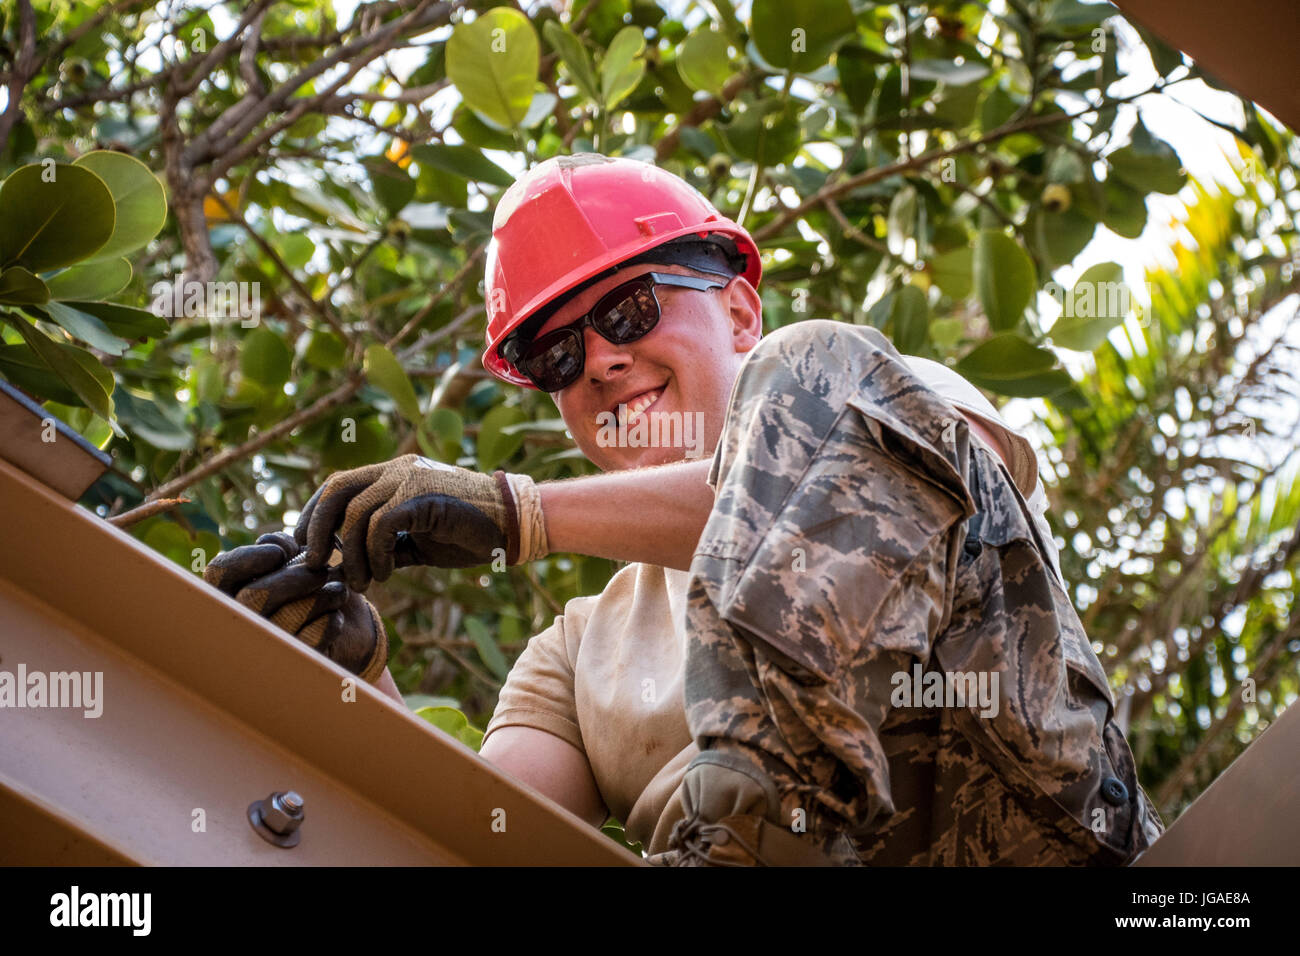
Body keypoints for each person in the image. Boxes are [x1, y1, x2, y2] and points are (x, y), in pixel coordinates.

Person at [204, 153, 1164, 866]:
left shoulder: (870, 386)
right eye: (558, 357)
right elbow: (479, 837)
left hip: (1018, 834)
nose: (603, 362)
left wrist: (518, 512)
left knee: (812, 366)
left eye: (626, 310)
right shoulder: (579, 648)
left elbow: (847, 471)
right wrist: (345, 678)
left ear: (738, 311)